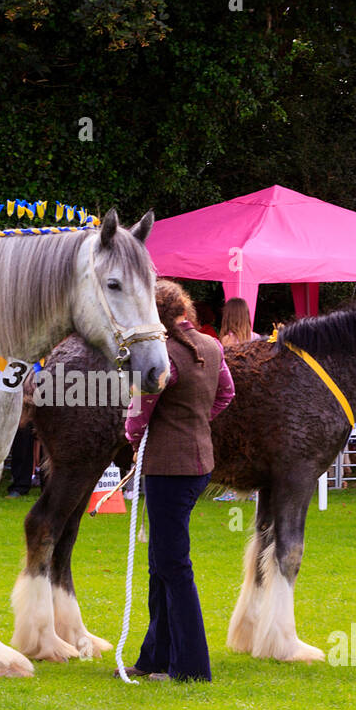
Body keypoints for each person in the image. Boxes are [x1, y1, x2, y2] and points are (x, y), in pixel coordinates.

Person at [121, 279, 234, 681]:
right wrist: (196, 424)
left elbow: (139, 409)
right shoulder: (211, 345)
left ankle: (190, 667)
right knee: (161, 564)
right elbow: (226, 394)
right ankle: (155, 658)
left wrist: (134, 439)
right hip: (198, 463)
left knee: (172, 565)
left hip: (168, 467)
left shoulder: (163, 354)